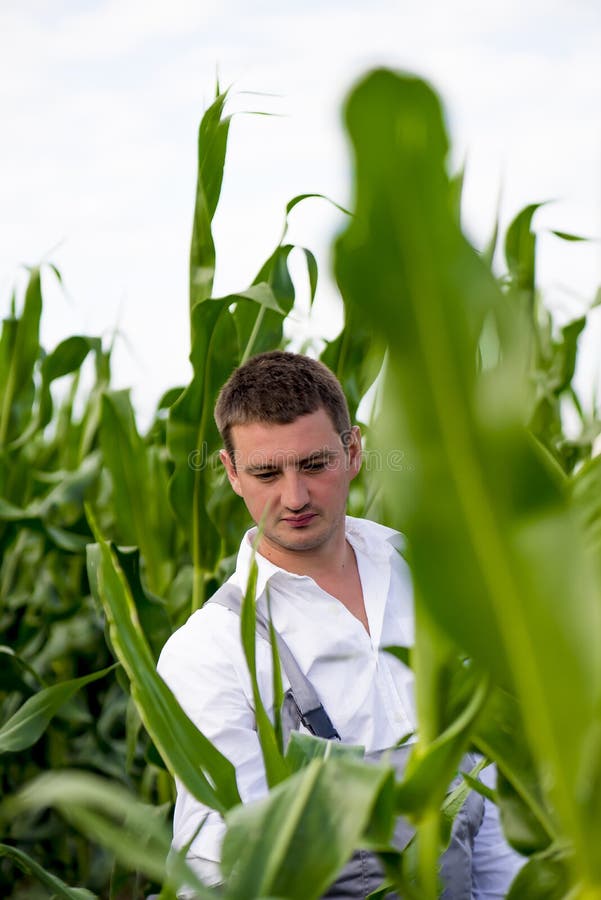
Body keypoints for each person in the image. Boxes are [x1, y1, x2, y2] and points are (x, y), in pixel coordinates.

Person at [157, 350, 524, 898]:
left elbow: (485, 795)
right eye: (265, 473)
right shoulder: (211, 650)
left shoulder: (429, 580)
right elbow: (217, 869)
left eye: (314, 465)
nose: (295, 497)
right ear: (232, 474)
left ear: (352, 451)